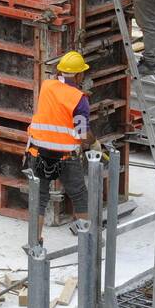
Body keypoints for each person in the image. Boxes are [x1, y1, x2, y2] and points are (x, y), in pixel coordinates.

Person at [26, 51, 93, 222]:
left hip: (38, 151)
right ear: (79, 75)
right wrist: (95, 142)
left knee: (39, 198)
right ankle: (88, 240)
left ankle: (35, 241)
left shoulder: (46, 86)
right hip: (65, 156)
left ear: (59, 71)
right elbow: (82, 133)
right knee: (79, 196)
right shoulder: (79, 99)